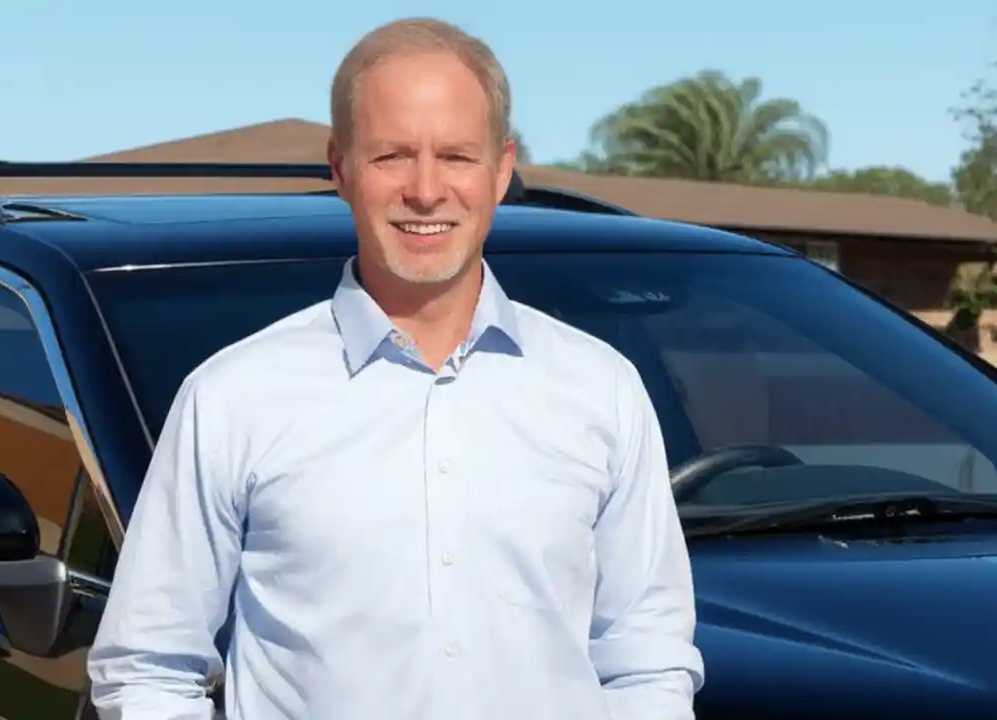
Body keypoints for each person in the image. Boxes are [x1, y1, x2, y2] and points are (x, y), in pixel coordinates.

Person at [86, 16, 704, 720]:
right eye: (391, 156)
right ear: (341, 168)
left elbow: (645, 664)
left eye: (456, 157)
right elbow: (148, 668)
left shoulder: (602, 389)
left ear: (500, 171)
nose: (425, 189)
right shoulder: (232, 399)